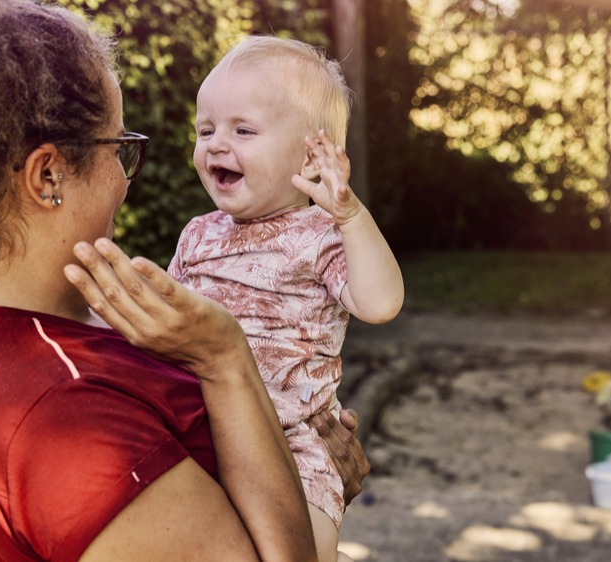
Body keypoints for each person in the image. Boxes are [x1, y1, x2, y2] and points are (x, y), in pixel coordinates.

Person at [0, 1, 369, 561]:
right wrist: (227, 360)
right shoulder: (71, 424)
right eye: (120, 148)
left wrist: (312, 469)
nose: (125, 179)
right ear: (48, 174)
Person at [168, 36, 404, 562]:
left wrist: (350, 217)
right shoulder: (199, 235)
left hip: (295, 442)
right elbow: (166, 324)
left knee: (304, 553)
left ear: (309, 154)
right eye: (205, 130)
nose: (216, 144)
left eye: (243, 130)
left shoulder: (320, 234)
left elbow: (381, 302)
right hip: (201, 424)